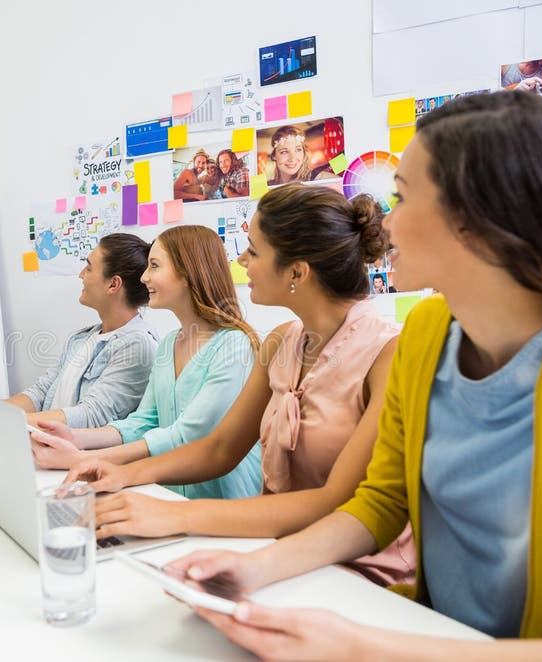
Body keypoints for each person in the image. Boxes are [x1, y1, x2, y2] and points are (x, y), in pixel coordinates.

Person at [166, 90, 542, 660]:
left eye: (402, 198)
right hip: (426, 631)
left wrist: (363, 649)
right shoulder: (425, 331)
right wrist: (250, 570)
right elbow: (378, 503)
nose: (386, 222)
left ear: (479, 220)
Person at [63, 184, 415, 587]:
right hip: (275, 550)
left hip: (360, 572)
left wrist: (174, 515)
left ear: (297, 272)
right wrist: (122, 474)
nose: (241, 260)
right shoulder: (281, 340)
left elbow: (336, 502)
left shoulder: (388, 352)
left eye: (254, 250)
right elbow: (220, 448)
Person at [31, 225, 262, 500]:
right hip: (170, 496)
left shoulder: (233, 345)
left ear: (188, 273)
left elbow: (186, 434)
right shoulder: (168, 344)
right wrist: (74, 436)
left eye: (154, 266)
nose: (143, 277)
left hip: (223, 503)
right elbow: (143, 422)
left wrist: (80, 458)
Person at [0, 233, 158, 433]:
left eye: (89, 268)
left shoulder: (138, 345)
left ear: (113, 284)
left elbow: (92, 416)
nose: (81, 275)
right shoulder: (82, 338)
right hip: (42, 452)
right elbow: (40, 394)